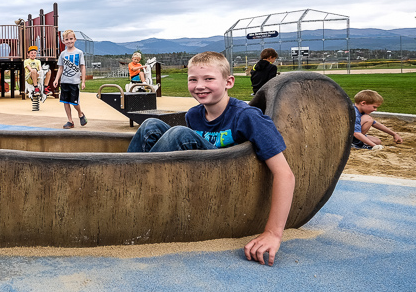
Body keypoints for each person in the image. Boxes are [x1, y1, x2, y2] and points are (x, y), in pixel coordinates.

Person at [127, 51, 295, 266]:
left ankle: (136, 192)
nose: (199, 85)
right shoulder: (194, 115)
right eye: (193, 79)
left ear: (229, 82)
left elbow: (285, 174)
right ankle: (128, 182)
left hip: (227, 181)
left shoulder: (248, 116)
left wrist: (273, 233)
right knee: (151, 124)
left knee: (179, 133)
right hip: (202, 175)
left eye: (209, 79)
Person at [53, 30, 87, 129]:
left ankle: (80, 113)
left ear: (75, 39)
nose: (69, 41)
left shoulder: (79, 53)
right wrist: (56, 79)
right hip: (64, 81)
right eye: (66, 39)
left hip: (74, 81)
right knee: (65, 101)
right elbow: (60, 68)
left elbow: (82, 67)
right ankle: (70, 121)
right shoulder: (63, 54)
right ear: (63, 41)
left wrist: (83, 81)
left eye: (71, 39)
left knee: (74, 102)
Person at [23, 46, 49, 110]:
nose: (33, 54)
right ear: (28, 54)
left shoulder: (38, 61)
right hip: (29, 77)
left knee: (49, 71)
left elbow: (40, 69)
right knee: (33, 70)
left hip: (37, 76)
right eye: (31, 53)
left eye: (34, 53)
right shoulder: (26, 61)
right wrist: (35, 72)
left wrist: (41, 72)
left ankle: (45, 87)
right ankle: (35, 87)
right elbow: (30, 69)